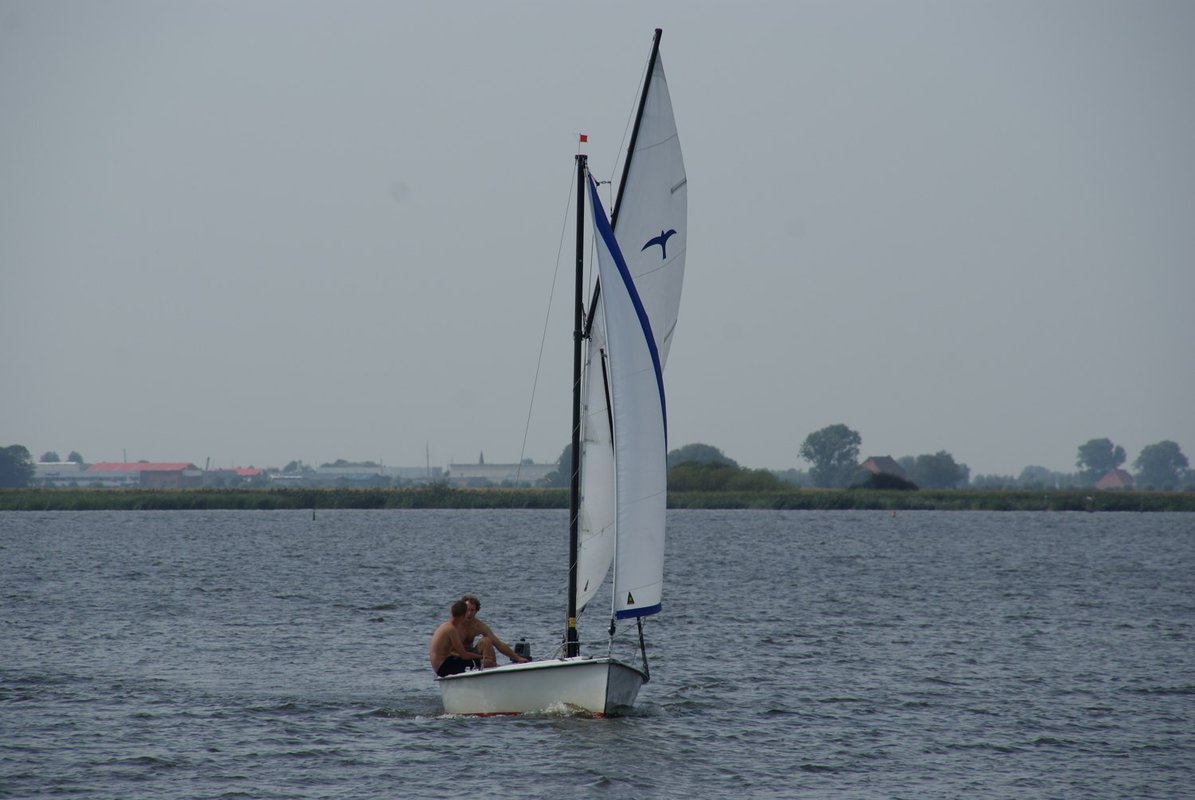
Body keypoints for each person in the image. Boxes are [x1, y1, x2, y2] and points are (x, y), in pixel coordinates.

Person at [460, 593, 530, 668]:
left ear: (476, 611)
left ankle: (492, 670)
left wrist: (518, 658)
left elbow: (498, 644)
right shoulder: (455, 625)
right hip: (456, 657)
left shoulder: (478, 625)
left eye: (472, 610)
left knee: (486, 641)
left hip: (471, 655)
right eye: (467, 610)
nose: (469, 613)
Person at [428, 599, 486, 677]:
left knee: (479, 661)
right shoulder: (451, 629)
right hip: (443, 668)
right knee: (482, 662)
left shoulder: (445, 626)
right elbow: (464, 655)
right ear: (462, 616)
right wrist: (481, 657)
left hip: (442, 665)